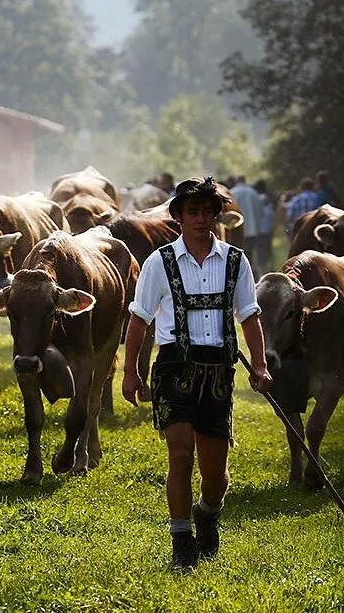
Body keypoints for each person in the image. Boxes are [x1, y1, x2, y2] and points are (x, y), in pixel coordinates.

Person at [121, 176, 272, 571]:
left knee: (216, 476)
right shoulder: (159, 262)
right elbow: (138, 320)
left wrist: (259, 364)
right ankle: (181, 541)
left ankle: (207, 511)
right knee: (180, 455)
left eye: (208, 211)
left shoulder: (237, 262)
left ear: (217, 215)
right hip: (173, 367)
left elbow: (250, 316)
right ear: (179, 217)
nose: (201, 219)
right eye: (193, 212)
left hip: (219, 370)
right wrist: (131, 371)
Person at [230, 176, 262, 265]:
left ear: (237, 181)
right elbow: (260, 210)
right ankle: (249, 270)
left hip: (236, 228)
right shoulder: (253, 193)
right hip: (252, 228)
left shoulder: (232, 192)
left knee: (236, 252)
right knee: (249, 253)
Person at [253, 180, 275, 274]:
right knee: (266, 251)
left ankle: (263, 270)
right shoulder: (268, 202)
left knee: (261, 251)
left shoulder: (258, 199)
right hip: (267, 230)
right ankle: (266, 269)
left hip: (261, 230)